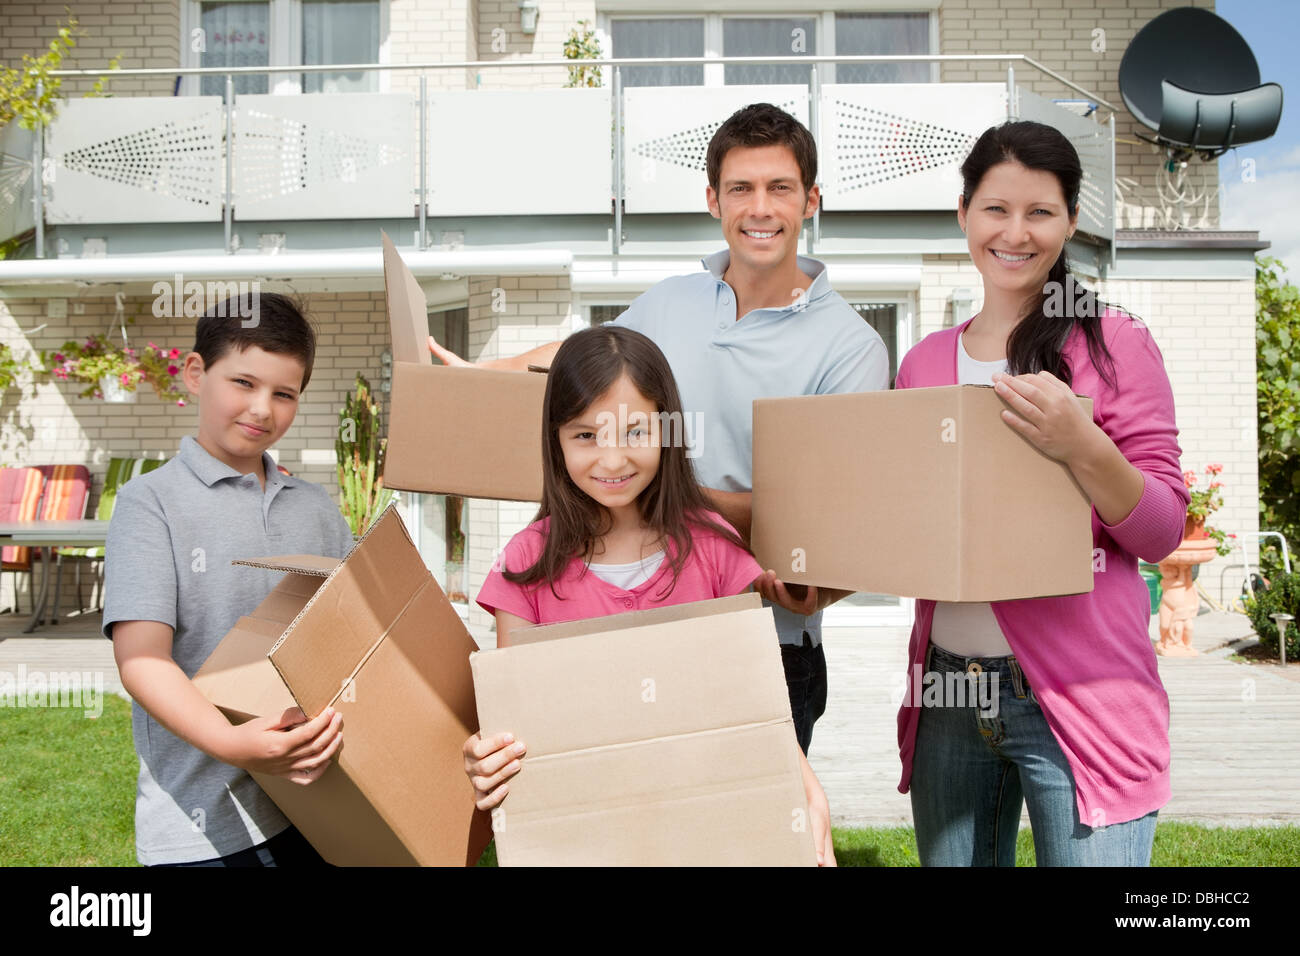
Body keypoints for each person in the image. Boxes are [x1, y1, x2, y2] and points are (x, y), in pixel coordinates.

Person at [429, 103, 891, 754]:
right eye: (741, 188)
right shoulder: (672, 299)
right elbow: (587, 358)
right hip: (620, 620)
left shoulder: (851, 347)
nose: (760, 208)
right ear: (713, 199)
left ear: (811, 199)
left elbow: (826, 522)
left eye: (779, 188)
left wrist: (662, 486)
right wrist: (482, 372)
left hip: (758, 636)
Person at [894, 121, 1190, 866]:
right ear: (963, 214)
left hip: (1085, 695)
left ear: (1071, 222)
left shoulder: (1113, 342)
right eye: (996, 209)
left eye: (1040, 212)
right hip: (949, 697)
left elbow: (1159, 533)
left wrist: (1082, 444)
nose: (1015, 233)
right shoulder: (925, 363)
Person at [462, 325, 836, 865]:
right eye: (586, 436)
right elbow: (513, 724)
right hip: (586, 834)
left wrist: (807, 785)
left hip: (707, 828)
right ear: (555, 439)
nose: (612, 461)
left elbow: (755, 703)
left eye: (634, 432)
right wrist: (483, 756)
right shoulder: (526, 564)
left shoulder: (713, 550)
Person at [103, 293, 355, 866]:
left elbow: (356, 624)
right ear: (196, 373)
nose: (262, 408)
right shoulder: (151, 503)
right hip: (201, 823)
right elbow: (142, 660)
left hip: (317, 802)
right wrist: (232, 744)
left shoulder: (315, 507)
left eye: (284, 393)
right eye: (243, 382)